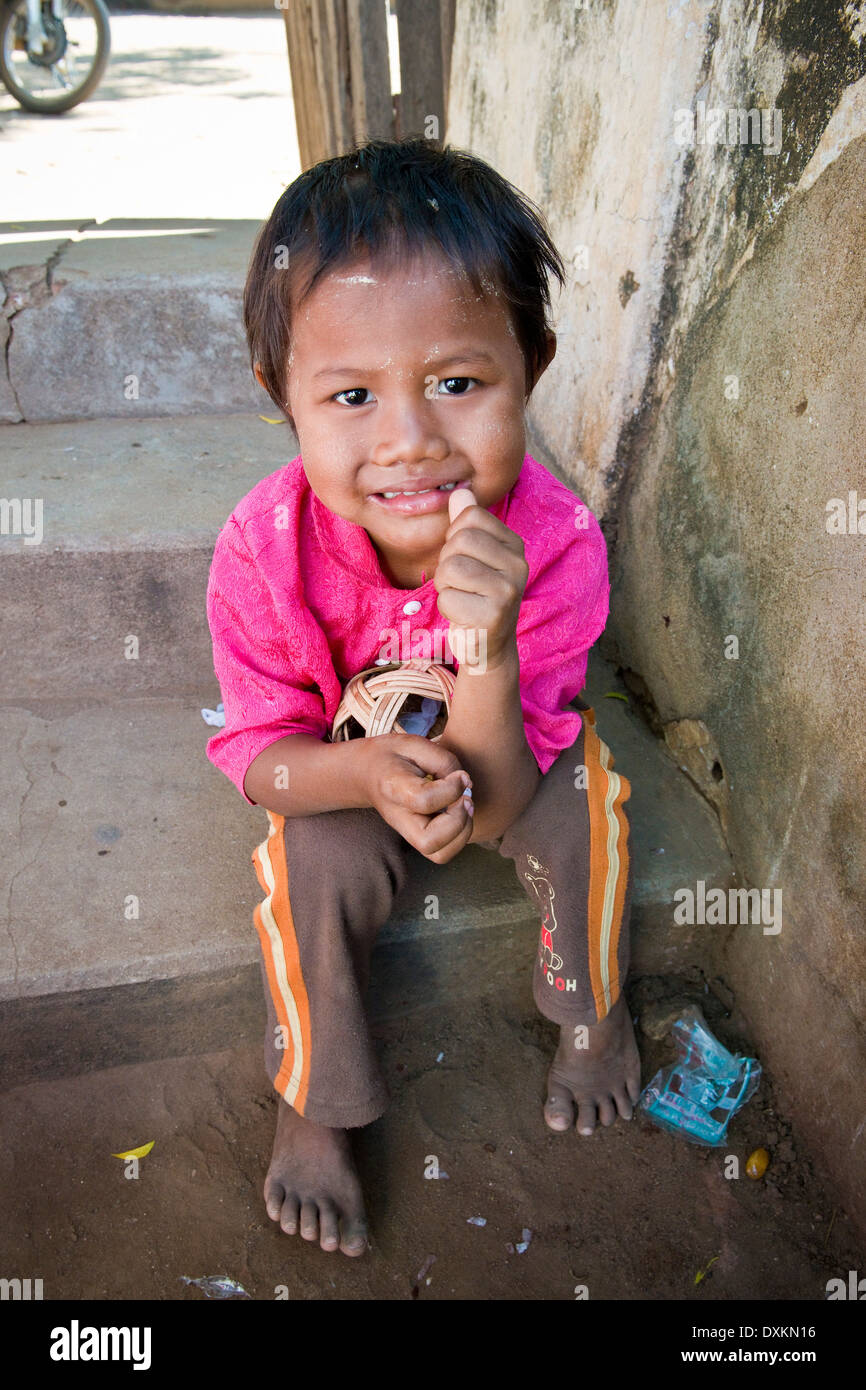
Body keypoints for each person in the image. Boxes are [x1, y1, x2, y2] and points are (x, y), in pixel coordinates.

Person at [205, 136, 640, 1258]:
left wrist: (483, 646)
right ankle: (316, 1101)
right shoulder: (263, 549)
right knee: (306, 858)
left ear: (529, 366)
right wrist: (354, 775)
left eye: (456, 381)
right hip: (346, 765)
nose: (409, 442)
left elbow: (497, 805)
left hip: (502, 759)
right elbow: (262, 756)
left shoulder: (552, 545)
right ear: (281, 397)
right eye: (350, 394)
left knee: (585, 806)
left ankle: (589, 1010)